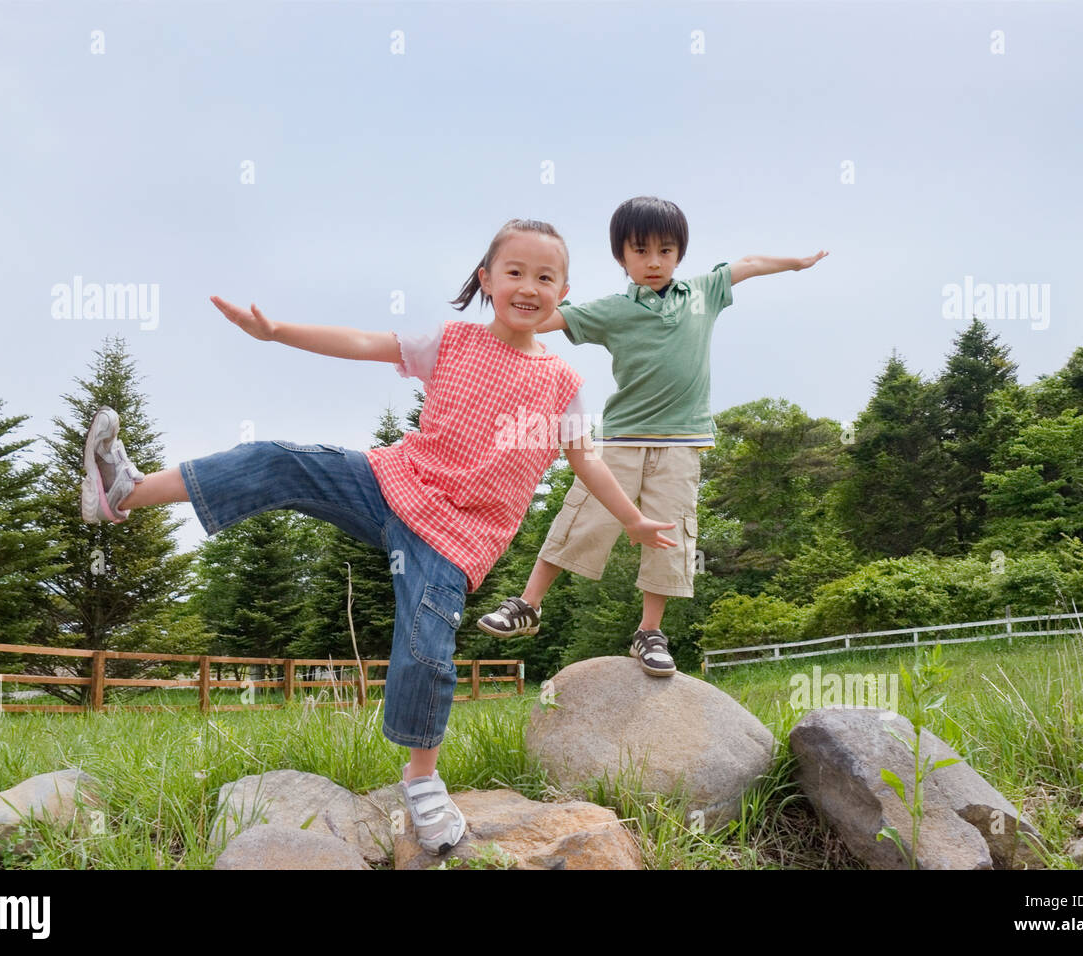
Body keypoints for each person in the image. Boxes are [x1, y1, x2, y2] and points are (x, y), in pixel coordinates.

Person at [78, 218, 676, 857]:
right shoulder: (451, 341)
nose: (528, 287)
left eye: (545, 277)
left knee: (426, 646)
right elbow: (366, 341)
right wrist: (276, 331)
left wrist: (633, 519)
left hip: (453, 539)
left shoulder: (562, 385)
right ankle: (126, 492)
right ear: (486, 281)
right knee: (279, 457)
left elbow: (586, 461)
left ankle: (421, 777)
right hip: (391, 483)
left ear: (564, 290)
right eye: (515, 272)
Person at [477, 197, 828, 678]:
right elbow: (542, 319)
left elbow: (747, 264)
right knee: (583, 516)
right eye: (641, 251)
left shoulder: (703, 293)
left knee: (670, 535)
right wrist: (516, 297)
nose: (655, 261)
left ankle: (649, 632)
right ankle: (528, 604)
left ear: (680, 253)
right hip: (622, 439)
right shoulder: (612, 310)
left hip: (683, 444)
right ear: (621, 257)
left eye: (666, 250)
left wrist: (797, 263)